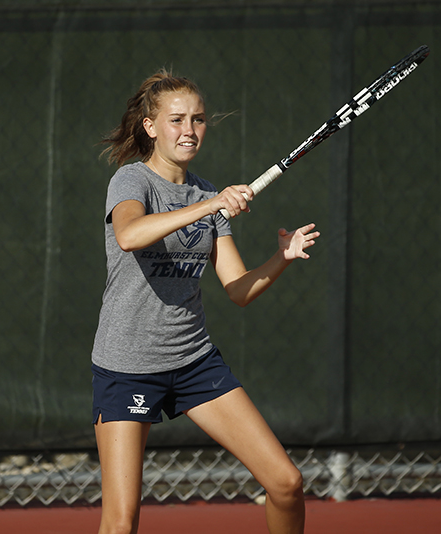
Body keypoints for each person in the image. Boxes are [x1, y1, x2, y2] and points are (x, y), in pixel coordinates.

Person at [92, 69, 318, 534]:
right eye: (176, 120)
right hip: (128, 363)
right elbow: (131, 235)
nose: (189, 130)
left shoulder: (208, 195)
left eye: (197, 119)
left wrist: (281, 258)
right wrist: (210, 206)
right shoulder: (131, 181)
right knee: (119, 523)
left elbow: (238, 289)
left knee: (286, 483)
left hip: (194, 361)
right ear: (150, 127)